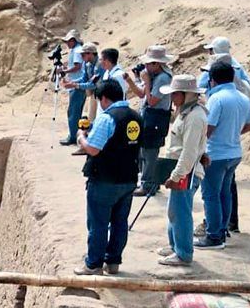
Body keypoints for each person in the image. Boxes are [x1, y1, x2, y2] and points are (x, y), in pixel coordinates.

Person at [75, 76, 142, 275]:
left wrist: (81, 138)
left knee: (98, 223)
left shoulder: (107, 118)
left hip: (105, 179)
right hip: (129, 178)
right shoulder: (136, 117)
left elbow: (93, 149)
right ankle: (113, 262)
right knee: (120, 223)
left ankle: (93, 264)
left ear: (104, 98)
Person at [197, 37, 250, 233]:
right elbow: (249, 125)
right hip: (234, 152)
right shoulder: (243, 96)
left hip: (216, 153)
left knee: (211, 195)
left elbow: (209, 129)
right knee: (225, 193)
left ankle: (214, 234)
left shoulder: (216, 98)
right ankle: (223, 229)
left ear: (212, 79)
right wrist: (231, 133)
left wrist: (198, 146)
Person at [154, 75, 208, 267]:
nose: (172, 98)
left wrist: (176, 176)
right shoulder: (186, 112)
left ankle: (183, 253)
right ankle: (175, 245)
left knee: (181, 212)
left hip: (186, 172)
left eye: (175, 94)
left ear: (187, 94)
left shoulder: (194, 117)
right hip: (181, 168)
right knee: (174, 211)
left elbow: (189, 151)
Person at [125, 44, 175, 197]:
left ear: (157, 64)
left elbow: (152, 101)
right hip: (149, 117)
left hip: (156, 118)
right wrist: (131, 81)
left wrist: (146, 82)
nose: (145, 67)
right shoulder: (154, 76)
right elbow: (142, 95)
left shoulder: (163, 78)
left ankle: (148, 185)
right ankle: (148, 182)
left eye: (148, 63)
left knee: (150, 152)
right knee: (143, 150)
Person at [58, 30, 86, 145]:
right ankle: (77, 135)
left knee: (73, 112)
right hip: (77, 84)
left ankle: (73, 136)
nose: (67, 44)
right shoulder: (77, 50)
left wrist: (65, 71)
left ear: (73, 40)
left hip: (76, 85)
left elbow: (77, 67)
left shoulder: (77, 51)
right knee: (76, 111)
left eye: (68, 41)